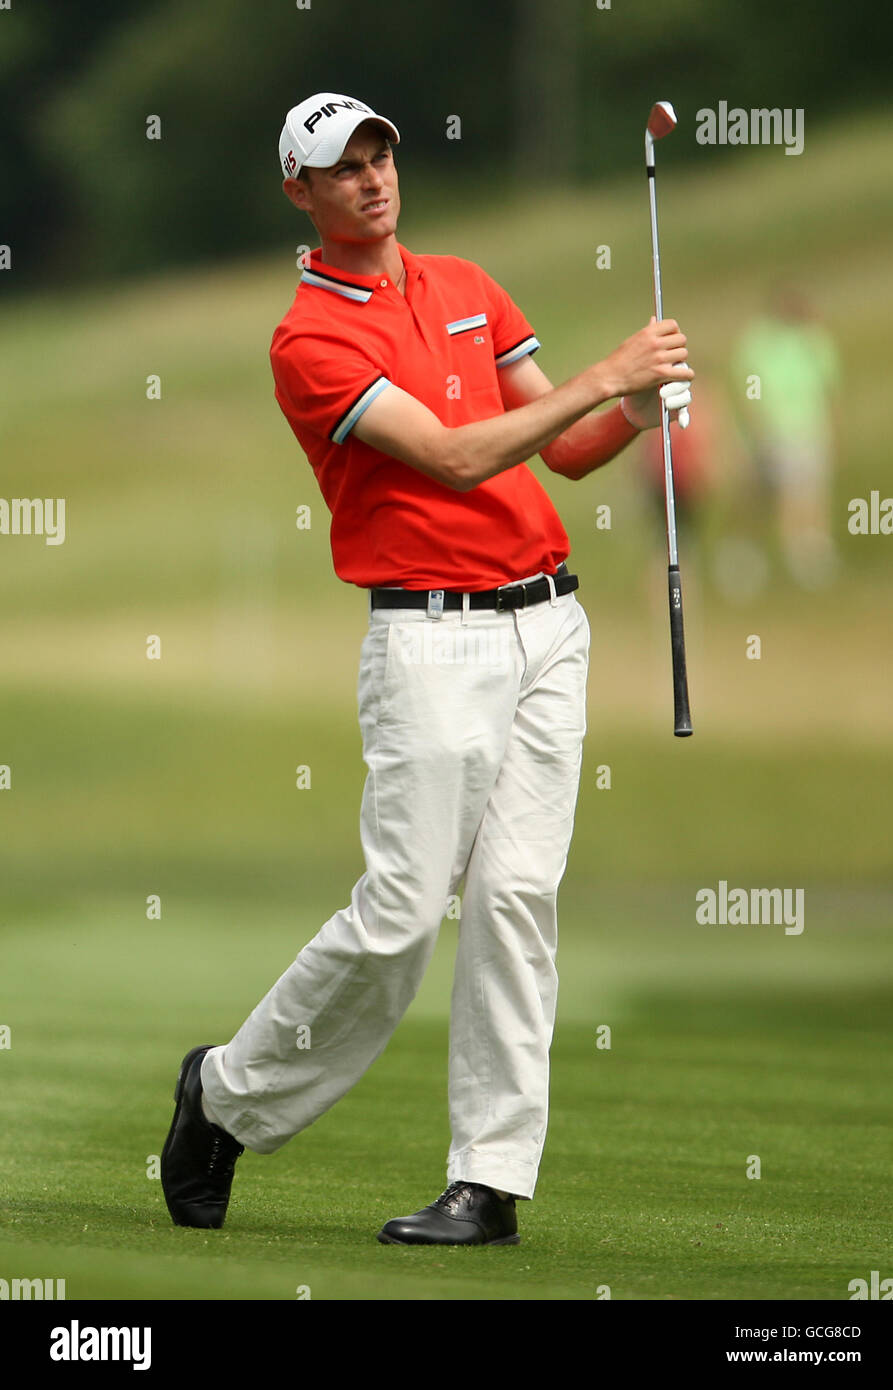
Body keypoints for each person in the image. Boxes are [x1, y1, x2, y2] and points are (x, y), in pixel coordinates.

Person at [160, 91, 693, 1246]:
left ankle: (487, 1184)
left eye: (380, 154)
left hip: (547, 623)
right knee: (401, 916)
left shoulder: (464, 287)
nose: (371, 177)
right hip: (428, 640)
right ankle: (221, 1098)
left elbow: (558, 447)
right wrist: (606, 373)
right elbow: (454, 458)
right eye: (341, 166)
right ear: (299, 191)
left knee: (515, 901)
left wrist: (639, 412)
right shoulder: (309, 338)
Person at [731, 283, 840, 588]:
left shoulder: (812, 339)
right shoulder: (760, 340)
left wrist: (832, 430)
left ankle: (810, 555)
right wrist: (756, 428)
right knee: (766, 499)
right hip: (772, 431)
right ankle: (756, 559)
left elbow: (830, 385)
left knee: (808, 495)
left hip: (809, 427)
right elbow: (746, 387)